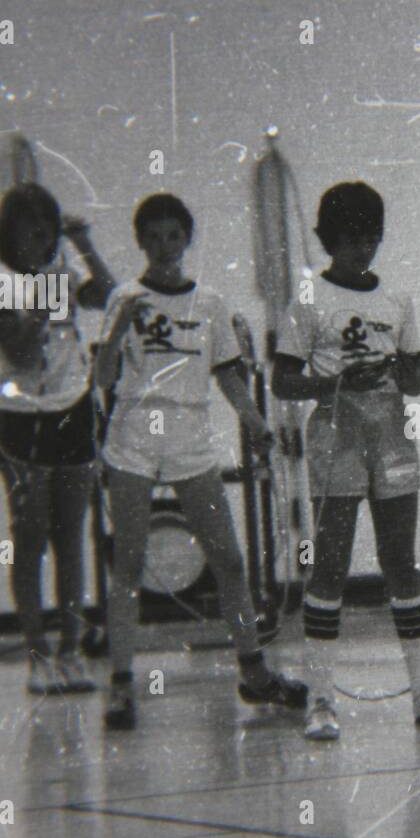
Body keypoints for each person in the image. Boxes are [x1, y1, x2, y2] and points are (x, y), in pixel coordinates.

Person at [95, 193, 306, 729]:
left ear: (186, 240)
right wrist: (120, 328)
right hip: (134, 435)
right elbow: (100, 379)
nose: (165, 246)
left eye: (174, 235)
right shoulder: (124, 296)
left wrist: (256, 422)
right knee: (128, 565)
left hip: (191, 434)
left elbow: (227, 373)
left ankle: (254, 671)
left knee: (229, 561)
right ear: (141, 241)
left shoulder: (209, 302)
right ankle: (121, 683)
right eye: (155, 236)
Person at [271, 181, 420, 741]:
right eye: (353, 238)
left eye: (372, 236)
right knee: (330, 565)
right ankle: (321, 698)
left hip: (391, 431)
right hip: (337, 430)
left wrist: (402, 372)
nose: (364, 248)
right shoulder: (309, 298)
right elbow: (283, 380)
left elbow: (417, 375)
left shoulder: (396, 299)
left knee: (400, 562)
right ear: (330, 239)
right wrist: (333, 381)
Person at [0, 183, 114, 694]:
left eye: (48, 228)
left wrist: (83, 245)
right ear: (11, 231)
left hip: (72, 408)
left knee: (71, 534)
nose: (40, 238)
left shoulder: (65, 270)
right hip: (21, 415)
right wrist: (41, 297)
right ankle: (37, 654)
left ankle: (72, 650)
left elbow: (108, 296)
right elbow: (15, 351)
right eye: (30, 228)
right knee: (30, 534)